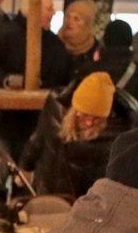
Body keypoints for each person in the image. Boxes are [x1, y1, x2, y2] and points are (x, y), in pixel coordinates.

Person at [22, 71, 121, 199]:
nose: (89, 123)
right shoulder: (55, 108)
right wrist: (25, 165)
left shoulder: (113, 135)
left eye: (97, 119)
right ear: (75, 110)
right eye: (84, 114)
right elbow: (39, 137)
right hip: (43, 193)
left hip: (76, 204)